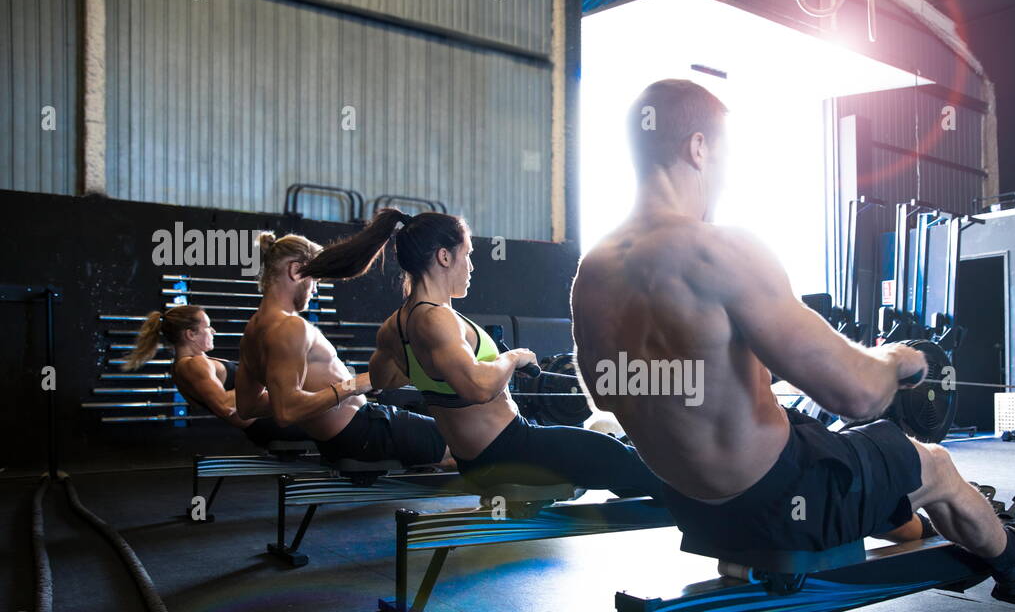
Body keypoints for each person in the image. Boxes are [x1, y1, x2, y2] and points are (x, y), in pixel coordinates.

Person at [571, 78, 1015, 606]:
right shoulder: (720, 250)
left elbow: (606, 396)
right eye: (722, 157)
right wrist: (897, 360)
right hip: (782, 505)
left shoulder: (594, 271)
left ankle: (921, 526)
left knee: (855, 452)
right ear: (698, 148)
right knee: (937, 464)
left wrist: (737, 373)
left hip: (697, 510)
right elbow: (856, 396)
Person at [299, 208, 658, 497]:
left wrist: (432, 367)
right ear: (443, 256)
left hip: (476, 461)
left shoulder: (396, 325)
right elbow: (476, 388)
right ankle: (707, 519)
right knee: (633, 463)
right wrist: (513, 358)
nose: (471, 268)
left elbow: (381, 379)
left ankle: (583, 491)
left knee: (619, 471)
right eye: (466, 256)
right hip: (512, 450)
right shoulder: (437, 319)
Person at [234, 231, 449, 469]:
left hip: (341, 438)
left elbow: (247, 407)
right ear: (295, 271)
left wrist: (324, 393)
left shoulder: (252, 331)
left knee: (450, 446)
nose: (314, 289)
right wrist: (357, 384)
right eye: (314, 279)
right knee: (464, 441)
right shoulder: (289, 326)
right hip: (363, 432)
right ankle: (489, 501)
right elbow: (287, 411)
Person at [124, 304, 309, 448]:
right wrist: (260, 376)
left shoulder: (184, 367)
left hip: (268, 425)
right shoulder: (194, 365)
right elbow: (224, 406)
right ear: (191, 334)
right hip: (276, 426)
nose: (213, 331)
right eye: (208, 327)